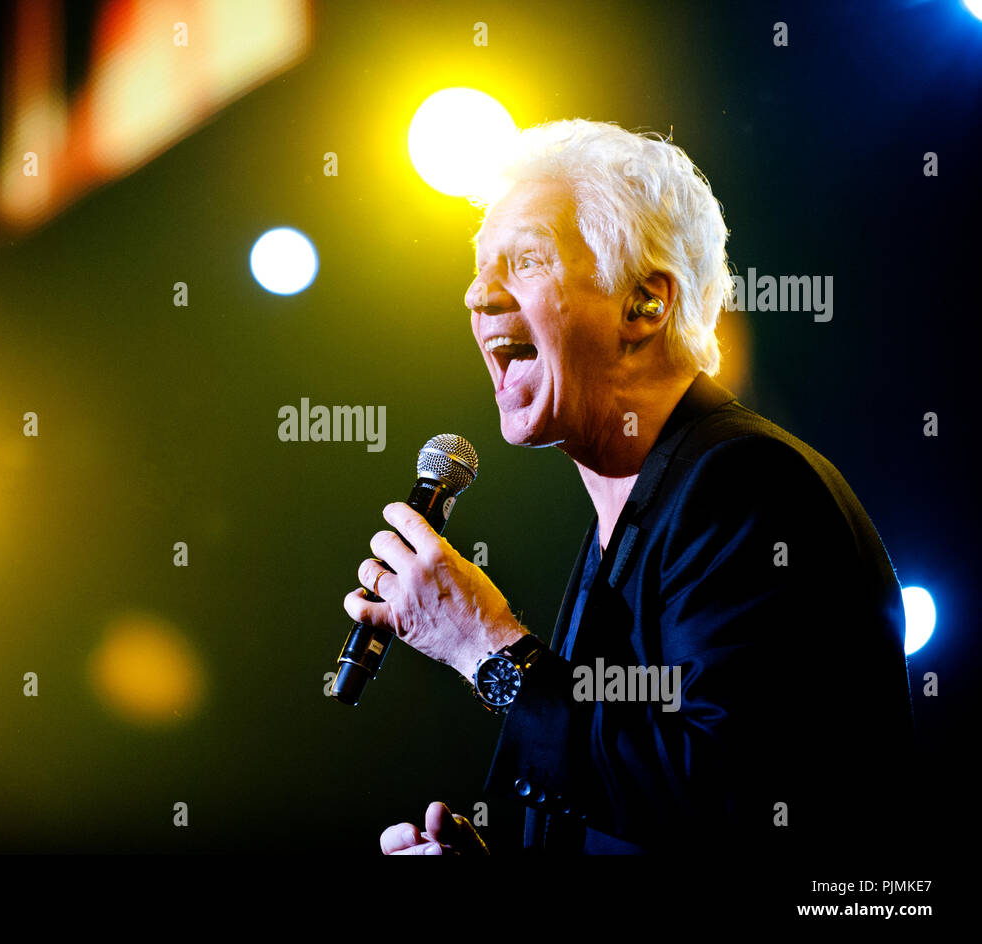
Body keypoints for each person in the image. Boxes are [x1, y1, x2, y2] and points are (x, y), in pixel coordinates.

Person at [343, 120, 915, 855]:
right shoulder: (626, 520)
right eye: (479, 270)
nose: (477, 296)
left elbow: (737, 801)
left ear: (645, 303)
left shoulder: (745, 482)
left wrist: (485, 645)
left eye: (526, 261)